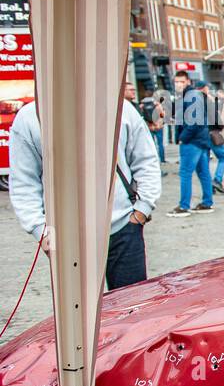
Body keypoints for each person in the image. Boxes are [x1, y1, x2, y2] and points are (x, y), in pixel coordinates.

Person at [9, 79, 161, 289]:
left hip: (123, 226)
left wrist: (142, 209)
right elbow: (24, 181)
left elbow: (145, 159)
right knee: (79, 319)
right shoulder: (30, 118)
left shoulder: (120, 108)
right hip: (65, 236)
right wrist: (39, 230)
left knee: (132, 311)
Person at [166, 70, 216, 217]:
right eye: (176, 81)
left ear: (188, 81)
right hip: (200, 139)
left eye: (181, 81)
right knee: (203, 173)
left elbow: (195, 121)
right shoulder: (191, 95)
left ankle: (184, 206)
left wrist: (183, 137)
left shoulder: (191, 96)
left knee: (185, 173)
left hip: (193, 140)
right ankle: (207, 202)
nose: (178, 84)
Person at [199, 82, 224, 194]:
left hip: (201, 135)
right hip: (212, 133)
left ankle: (208, 186)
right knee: (223, 158)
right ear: (205, 88)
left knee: (205, 160)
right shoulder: (208, 102)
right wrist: (221, 125)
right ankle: (217, 179)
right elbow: (217, 120)